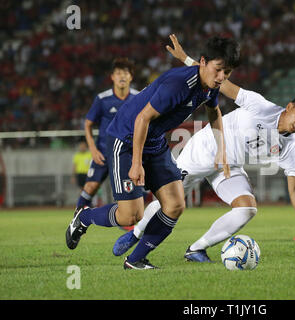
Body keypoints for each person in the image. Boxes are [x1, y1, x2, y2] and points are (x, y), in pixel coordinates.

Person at [112, 34, 295, 262]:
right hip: (204, 150)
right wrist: (186, 59)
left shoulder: (290, 145)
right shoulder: (260, 106)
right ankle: (136, 233)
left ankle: (196, 248)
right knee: (170, 201)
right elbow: (219, 81)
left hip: (228, 166)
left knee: (247, 208)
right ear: (290, 107)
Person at [65, 36, 240, 270]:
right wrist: (136, 163)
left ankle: (135, 260)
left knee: (175, 204)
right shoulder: (179, 84)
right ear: (203, 62)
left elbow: (214, 112)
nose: (222, 78)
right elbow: (142, 118)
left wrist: (222, 151)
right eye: (218, 70)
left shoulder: (209, 87)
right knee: (130, 216)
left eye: (227, 72)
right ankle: (83, 217)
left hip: (154, 141)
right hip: (126, 138)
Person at [76, 57, 139, 208]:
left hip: (126, 155)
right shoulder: (102, 99)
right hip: (103, 153)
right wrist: (92, 148)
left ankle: (132, 223)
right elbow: (88, 123)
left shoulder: (139, 98)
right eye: (118, 73)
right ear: (112, 77)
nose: (122, 76)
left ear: (131, 76)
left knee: (131, 192)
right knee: (90, 188)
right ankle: (77, 219)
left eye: (125, 73)